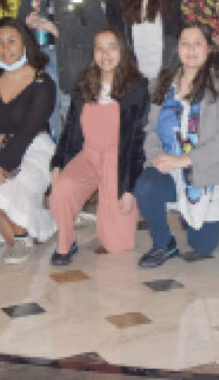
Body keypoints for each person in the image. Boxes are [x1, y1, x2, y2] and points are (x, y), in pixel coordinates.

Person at [136, 25, 219, 268]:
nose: (191, 49)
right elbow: (151, 129)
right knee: (146, 187)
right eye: (185, 43)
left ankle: (193, 214)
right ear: (177, 49)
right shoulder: (163, 83)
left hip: (207, 173)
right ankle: (163, 243)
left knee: (202, 247)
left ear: (208, 48)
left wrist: (186, 160)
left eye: (198, 43)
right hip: (171, 166)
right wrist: (157, 157)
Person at [49, 29, 149, 265]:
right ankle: (66, 241)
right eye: (99, 48)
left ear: (122, 51)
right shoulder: (84, 85)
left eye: (112, 47)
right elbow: (70, 129)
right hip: (89, 156)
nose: (105, 54)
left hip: (119, 162)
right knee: (61, 190)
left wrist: (129, 189)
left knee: (116, 245)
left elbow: (136, 142)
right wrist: (58, 164)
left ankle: (109, 210)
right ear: (92, 53)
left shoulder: (137, 88)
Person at [0, 18, 57, 264]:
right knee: (7, 213)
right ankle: (48, 221)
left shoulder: (42, 83)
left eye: (11, 41)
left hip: (33, 150)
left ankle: (27, 231)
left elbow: (27, 133)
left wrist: (0, 168)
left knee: (5, 195)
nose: (5, 48)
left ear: (25, 44)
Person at [17, 0, 105, 139]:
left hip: (75, 69)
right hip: (42, 69)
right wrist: (26, 26)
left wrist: (59, 31)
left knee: (78, 134)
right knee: (52, 131)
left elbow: (98, 30)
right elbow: (17, 35)